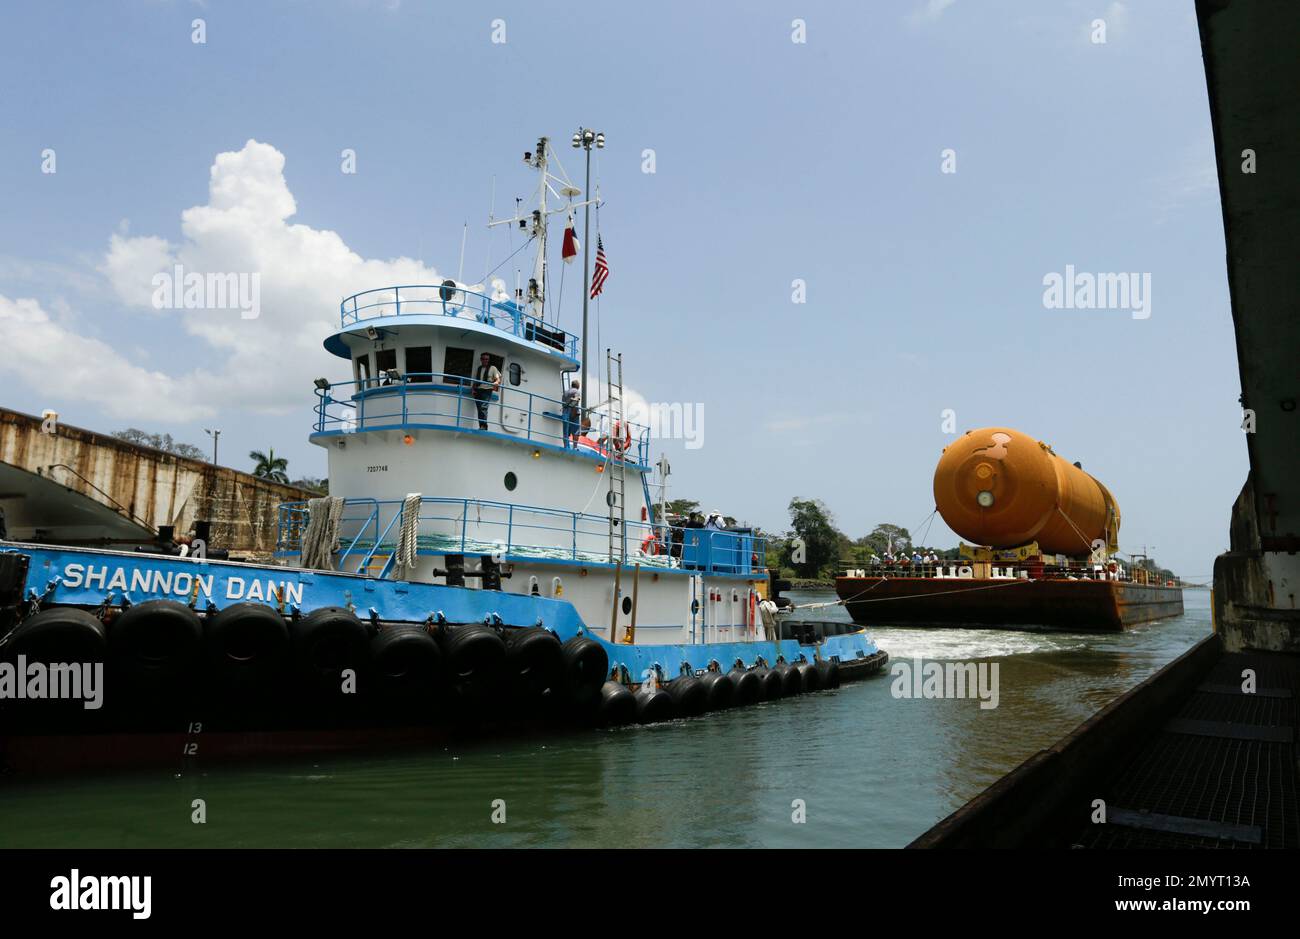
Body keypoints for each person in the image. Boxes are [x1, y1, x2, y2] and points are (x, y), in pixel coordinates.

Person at [472, 352, 501, 430]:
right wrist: (473, 389)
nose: (485, 360)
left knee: (483, 407)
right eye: (483, 359)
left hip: (487, 390)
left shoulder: (493, 368)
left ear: (488, 360)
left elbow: (498, 379)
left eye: (487, 359)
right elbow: (475, 381)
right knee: (479, 408)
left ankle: (484, 426)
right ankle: (481, 425)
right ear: (481, 359)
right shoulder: (479, 368)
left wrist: (496, 383)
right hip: (478, 390)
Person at [561, 379, 581, 448]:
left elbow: (563, 402)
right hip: (574, 413)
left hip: (565, 412)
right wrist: (572, 409)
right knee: (576, 432)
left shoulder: (565, 392)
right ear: (578, 386)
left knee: (566, 432)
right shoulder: (576, 391)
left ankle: (566, 446)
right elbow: (576, 400)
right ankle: (575, 447)